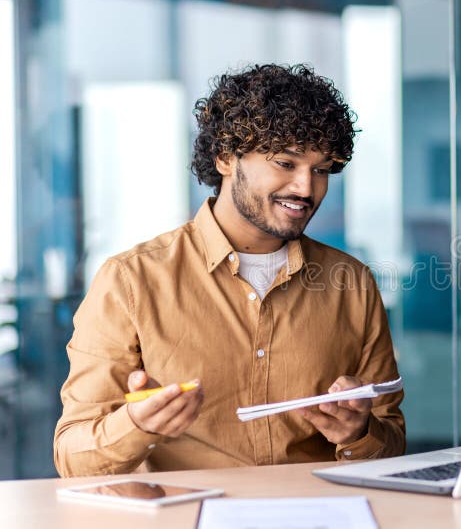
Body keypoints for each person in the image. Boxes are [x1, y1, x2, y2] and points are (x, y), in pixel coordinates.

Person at [53, 64, 405, 477]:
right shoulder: (131, 281)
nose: (307, 188)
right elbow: (73, 459)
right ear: (225, 157)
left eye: (321, 169)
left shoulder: (352, 283)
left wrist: (358, 433)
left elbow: (393, 443)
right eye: (285, 163)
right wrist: (137, 425)